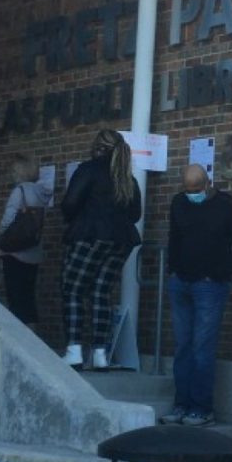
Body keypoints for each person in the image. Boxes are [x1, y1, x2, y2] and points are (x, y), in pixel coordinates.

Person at [163, 164, 232, 426]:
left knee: (202, 349)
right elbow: (174, 239)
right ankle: (181, 404)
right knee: (183, 347)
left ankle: (201, 408)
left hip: (209, 285)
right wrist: (173, 270)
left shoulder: (227, 205)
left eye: (196, 190)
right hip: (181, 282)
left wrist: (219, 273)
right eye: (188, 190)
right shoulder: (179, 203)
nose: (192, 195)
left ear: (207, 183)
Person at [59, 129, 141, 370]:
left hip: (89, 235)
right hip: (121, 241)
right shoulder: (127, 178)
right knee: (101, 293)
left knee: (72, 289)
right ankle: (100, 354)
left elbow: (71, 203)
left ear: (97, 146)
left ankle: (74, 351)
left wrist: (73, 218)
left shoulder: (89, 169)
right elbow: (136, 214)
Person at [0, 154, 53, 328]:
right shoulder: (41, 193)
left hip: (14, 252)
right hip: (34, 252)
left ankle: (19, 342)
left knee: (15, 298)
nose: (12, 174)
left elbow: (6, 221)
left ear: (20, 171)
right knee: (28, 297)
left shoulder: (19, 191)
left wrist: (1, 235)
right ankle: (33, 338)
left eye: (14, 170)